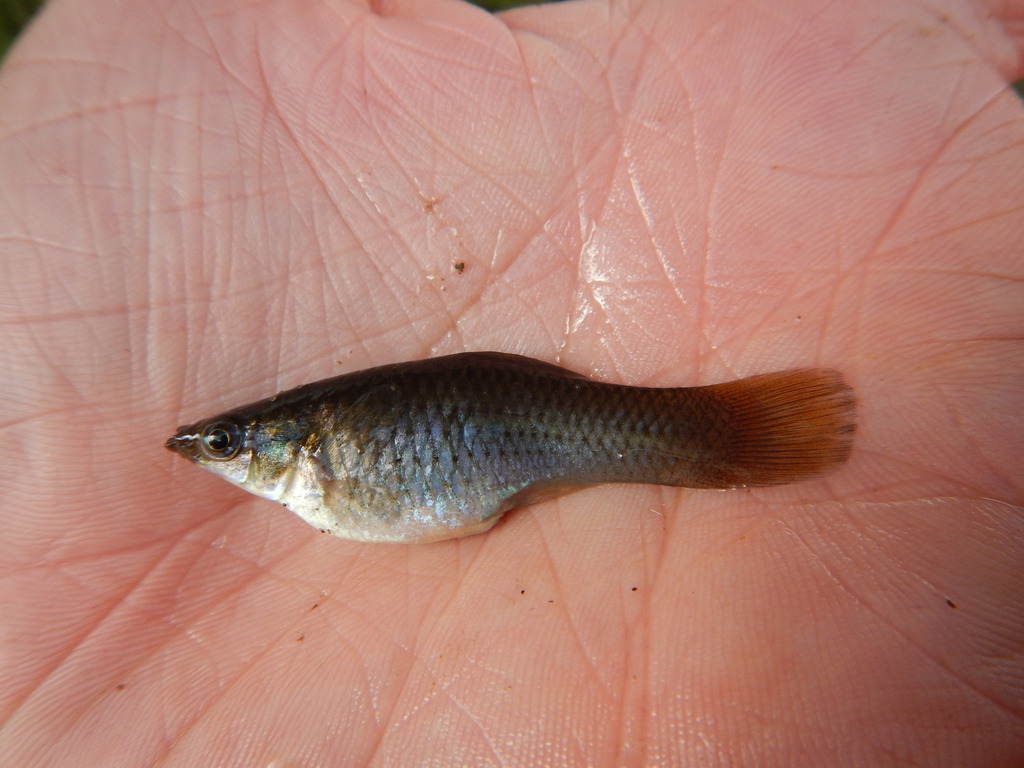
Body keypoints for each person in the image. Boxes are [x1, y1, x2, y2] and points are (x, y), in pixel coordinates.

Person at [1, 0, 1022, 764]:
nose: (209, 453)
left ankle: (722, 434)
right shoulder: (309, 475)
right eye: (226, 442)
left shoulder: (318, 466)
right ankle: (724, 436)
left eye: (227, 443)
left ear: (281, 439)